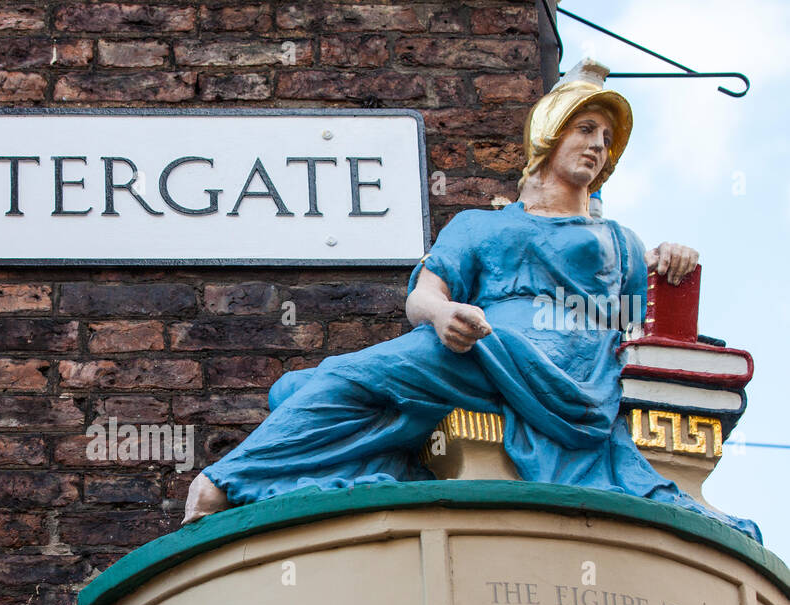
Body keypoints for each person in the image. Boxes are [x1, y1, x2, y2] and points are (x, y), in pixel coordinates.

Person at [181, 60, 762, 543]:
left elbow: (639, 327)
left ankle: (221, 484)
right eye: (584, 128)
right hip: (485, 344)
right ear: (550, 134)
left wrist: (670, 260)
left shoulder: (620, 241)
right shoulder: (481, 226)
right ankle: (324, 481)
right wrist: (443, 315)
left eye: (605, 140)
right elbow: (425, 293)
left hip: (571, 368)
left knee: (350, 378)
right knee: (311, 386)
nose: (596, 146)